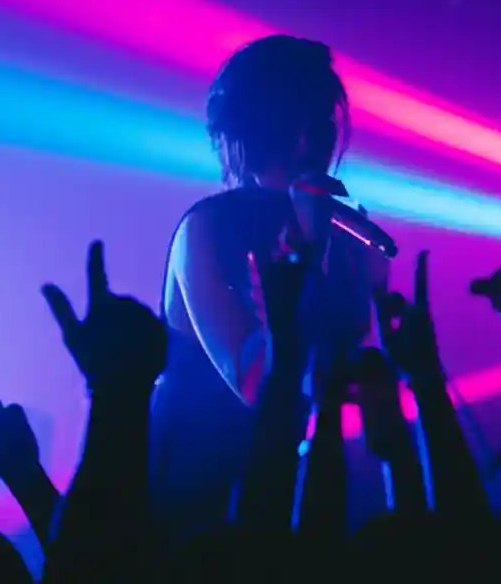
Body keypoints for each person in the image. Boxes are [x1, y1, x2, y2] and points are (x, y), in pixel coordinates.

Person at [150, 35, 388, 540]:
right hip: (205, 518)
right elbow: (259, 387)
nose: (316, 137)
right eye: (304, 118)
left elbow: (350, 385)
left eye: (323, 118)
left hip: (314, 503)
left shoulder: (349, 239)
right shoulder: (208, 228)